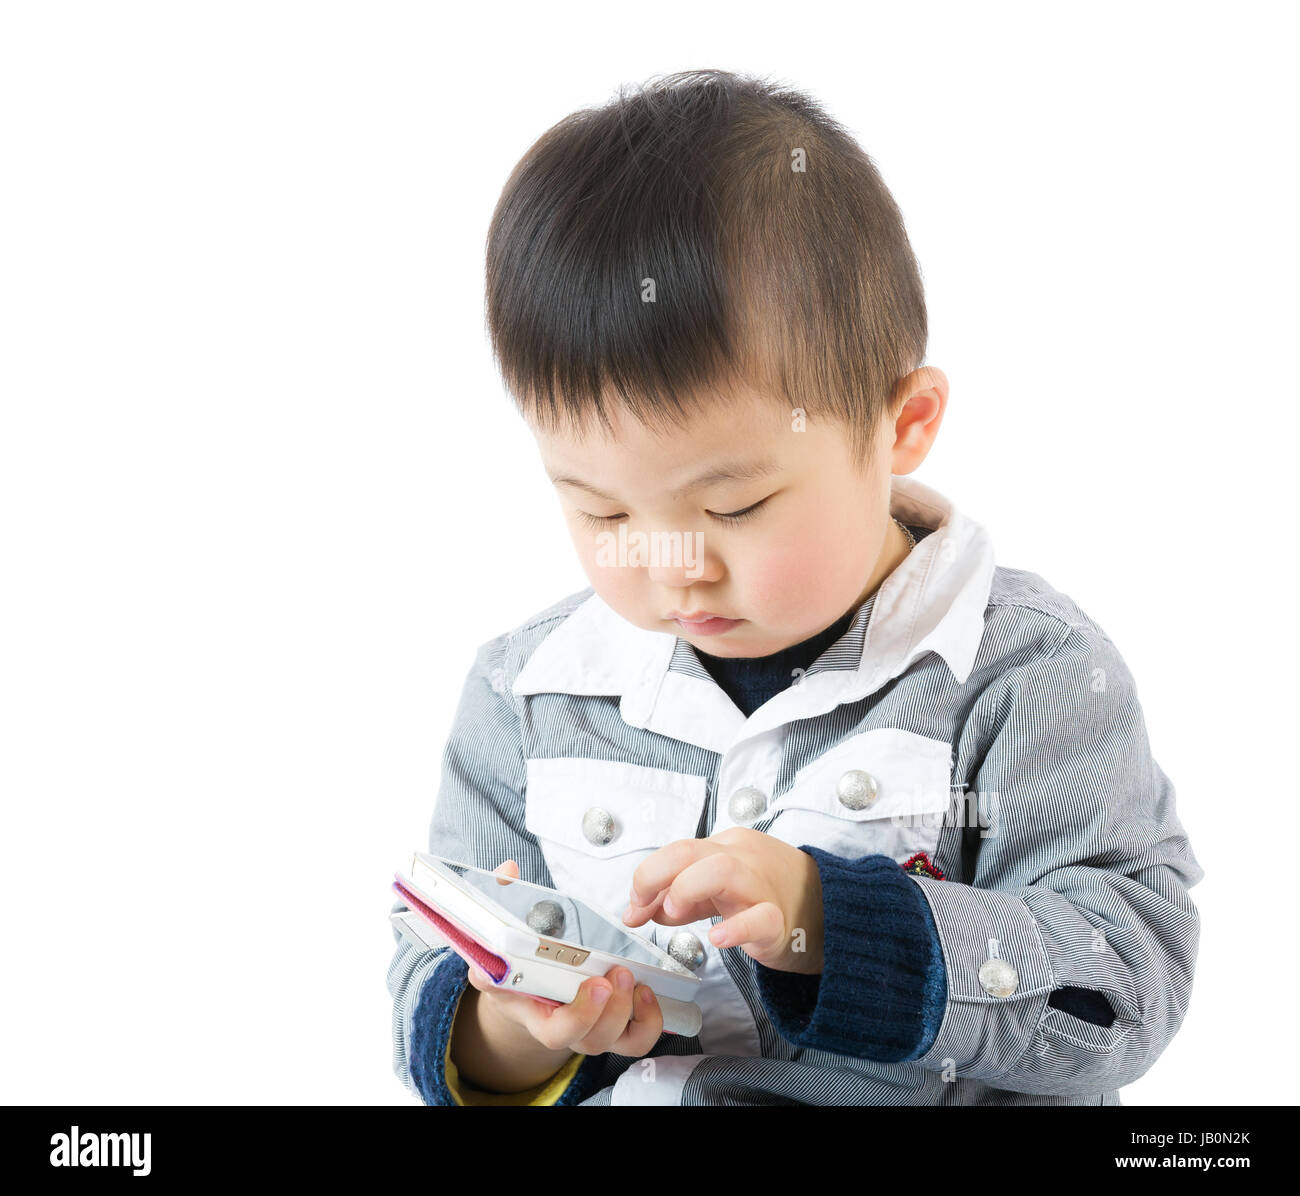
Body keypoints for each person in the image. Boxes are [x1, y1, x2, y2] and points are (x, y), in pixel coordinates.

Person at [386, 68, 1202, 1106]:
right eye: (603, 512)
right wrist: (519, 1023)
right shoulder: (526, 695)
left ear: (899, 423)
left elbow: (1129, 983)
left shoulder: (1025, 675)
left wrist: (829, 918)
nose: (669, 563)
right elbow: (432, 992)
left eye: (731, 508)